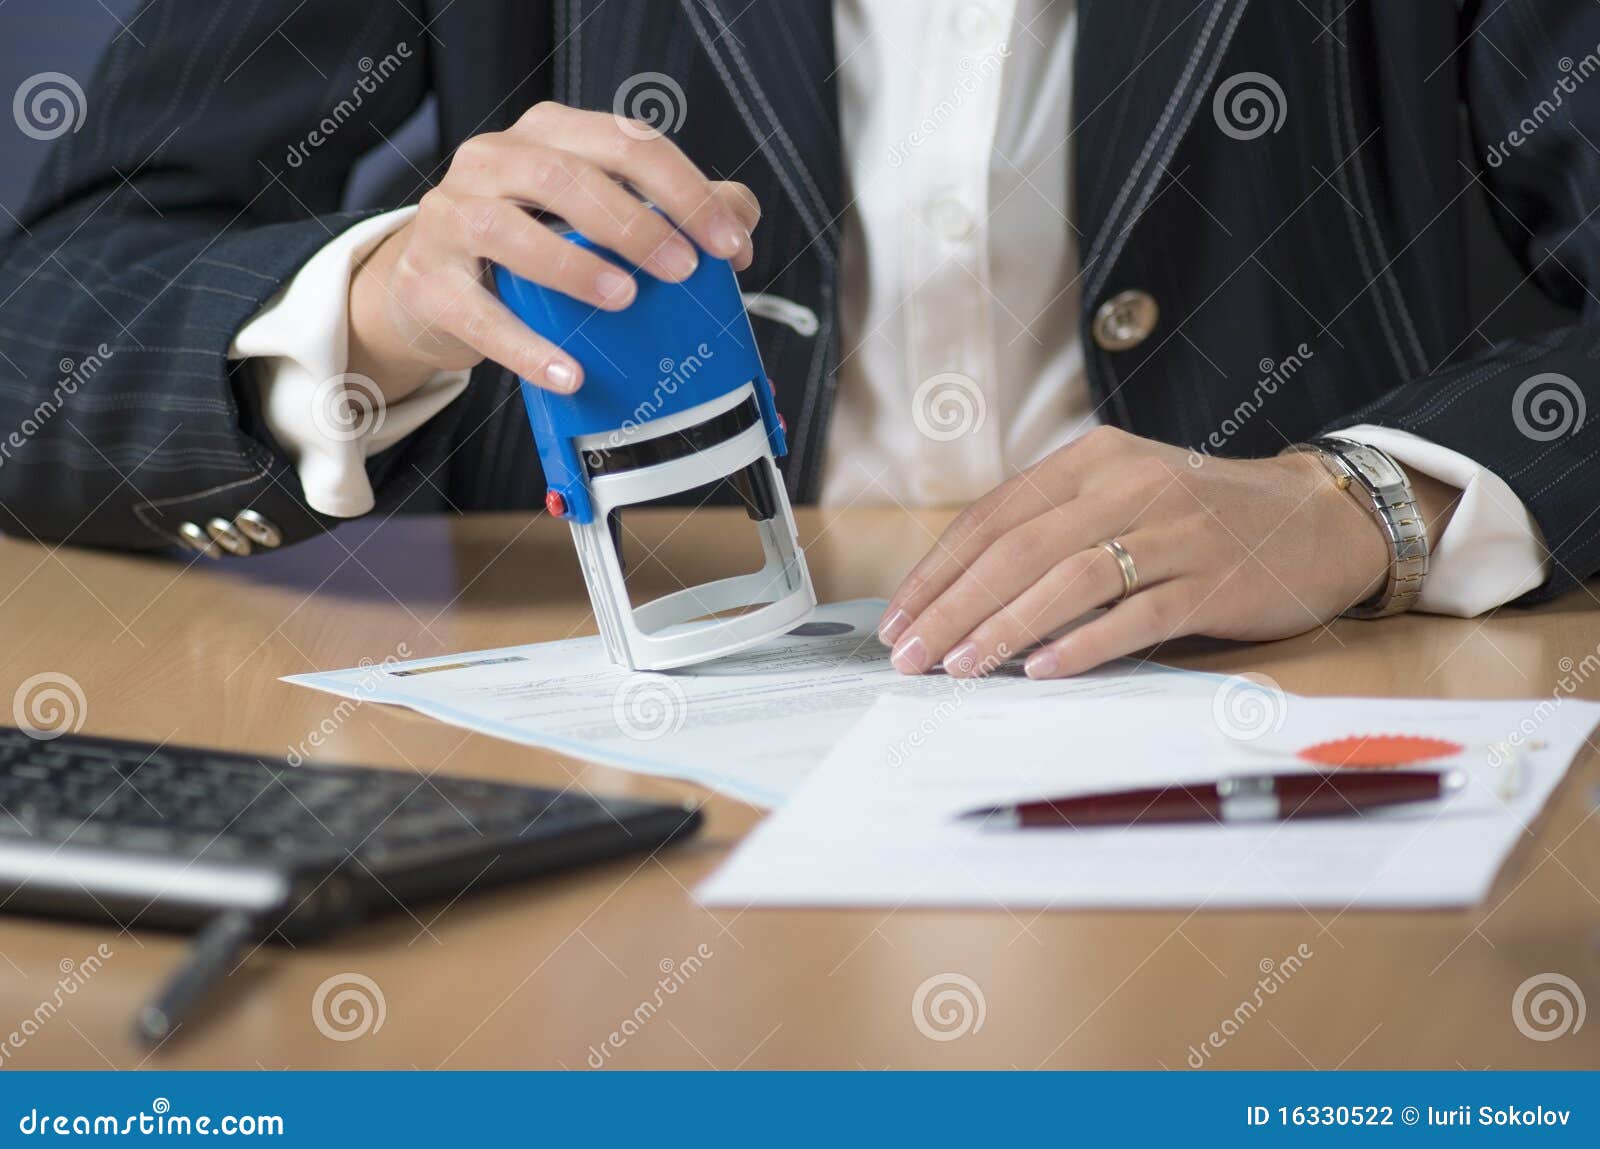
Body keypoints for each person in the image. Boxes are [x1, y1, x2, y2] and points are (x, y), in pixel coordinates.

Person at [1, 0, 1594, 681]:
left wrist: (1365, 504)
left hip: (1324, 726)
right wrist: (375, 308)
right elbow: (46, 320)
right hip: (640, 786)